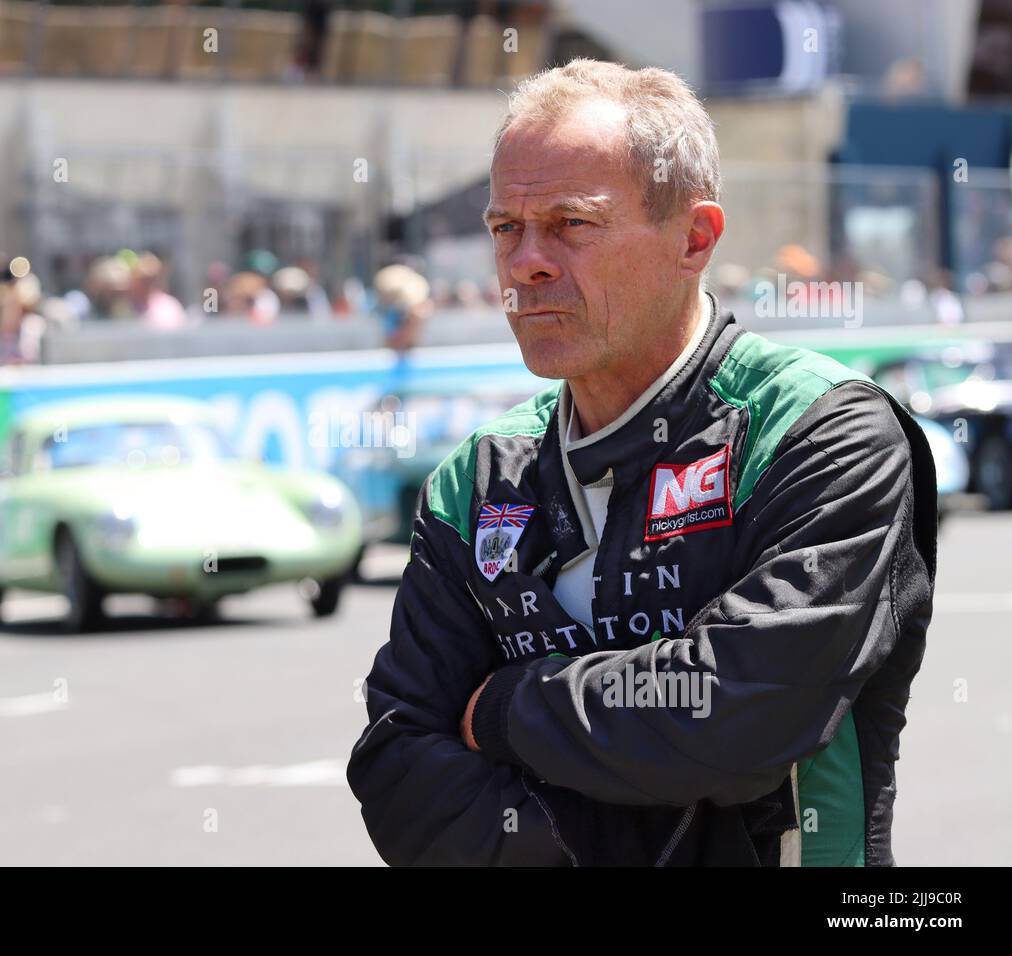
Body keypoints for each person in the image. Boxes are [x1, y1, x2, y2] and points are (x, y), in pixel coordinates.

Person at [346, 58, 938, 867]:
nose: (527, 264)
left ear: (693, 239)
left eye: (571, 224)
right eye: (505, 228)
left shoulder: (818, 430)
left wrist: (506, 709)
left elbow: (734, 715)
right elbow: (397, 758)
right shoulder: (476, 479)